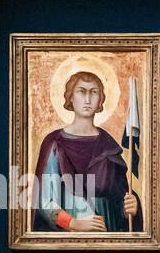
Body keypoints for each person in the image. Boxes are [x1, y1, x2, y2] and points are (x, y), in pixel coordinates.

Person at [33, 71, 140, 232]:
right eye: (81, 91)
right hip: (69, 234)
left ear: (100, 101)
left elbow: (119, 202)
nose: (88, 100)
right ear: (70, 98)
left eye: (94, 92)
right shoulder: (55, 142)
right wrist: (73, 223)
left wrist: (128, 209)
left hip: (107, 229)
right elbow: (45, 202)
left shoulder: (109, 146)